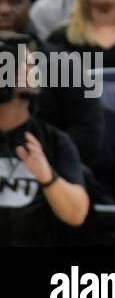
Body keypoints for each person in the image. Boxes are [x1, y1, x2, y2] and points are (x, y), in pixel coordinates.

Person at [0, 32, 90, 244]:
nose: (36, 73)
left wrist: (48, 177)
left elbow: (77, 215)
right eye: (26, 66)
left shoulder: (54, 141)